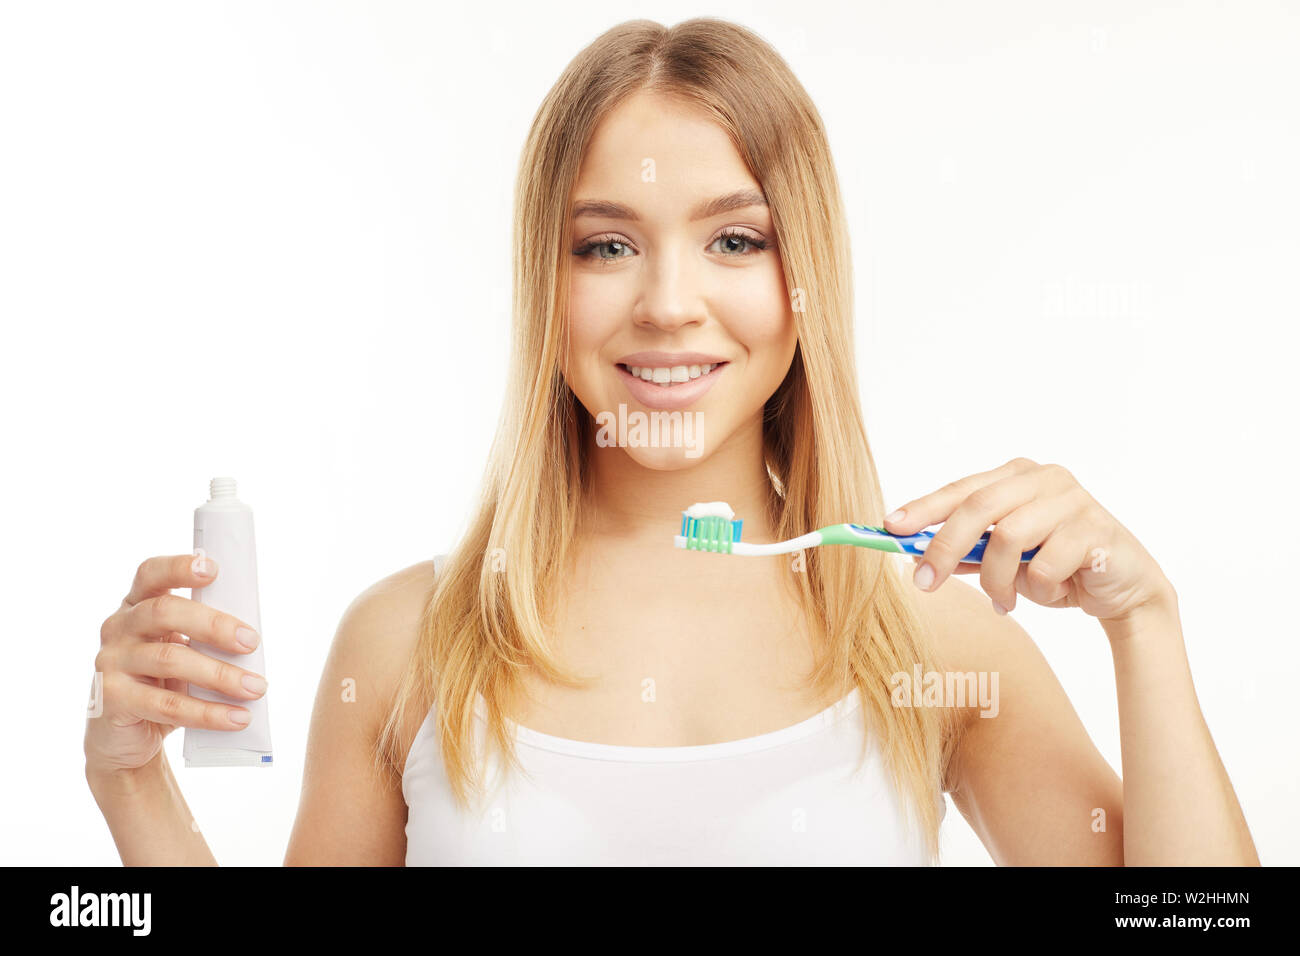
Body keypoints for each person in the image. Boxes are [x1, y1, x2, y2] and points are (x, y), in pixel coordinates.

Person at [85, 17, 1259, 866]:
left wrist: (1141, 619)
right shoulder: (407, 643)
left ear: (808, 279)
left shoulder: (928, 627)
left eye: (735, 240)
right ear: (540, 285)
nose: (666, 302)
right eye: (604, 245)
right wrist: (130, 776)